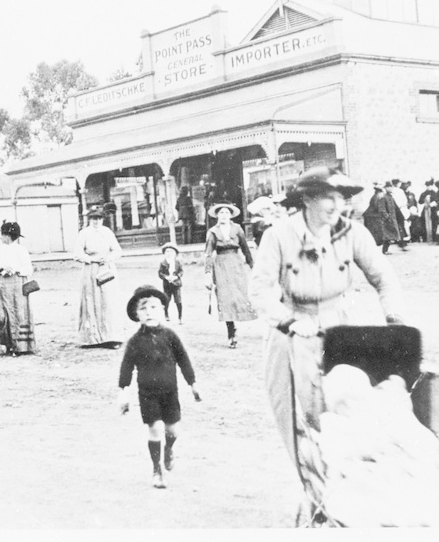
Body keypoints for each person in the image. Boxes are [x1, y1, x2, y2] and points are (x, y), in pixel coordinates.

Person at [248, 167, 405, 514]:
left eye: (342, 198)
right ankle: (314, 498)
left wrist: (394, 317)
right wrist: (289, 322)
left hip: (338, 330)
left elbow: (384, 277)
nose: (338, 206)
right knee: (297, 420)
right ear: (306, 199)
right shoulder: (278, 235)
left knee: (339, 419)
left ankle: (341, 504)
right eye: (329, 198)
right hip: (290, 332)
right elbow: (259, 291)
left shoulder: (353, 233)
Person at [118, 285, 201, 489]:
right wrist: (123, 394)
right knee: (155, 429)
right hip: (148, 394)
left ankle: (169, 450)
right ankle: (157, 470)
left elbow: (183, 360)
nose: (150, 313)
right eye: (144, 309)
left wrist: (193, 384)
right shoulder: (135, 342)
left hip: (170, 392)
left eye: (154, 307)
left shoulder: (170, 337)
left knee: (173, 431)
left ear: (163, 310)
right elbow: (126, 369)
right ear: (137, 315)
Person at [203, 202, 256, 349]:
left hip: (236, 264)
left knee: (238, 296)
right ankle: (231, 333)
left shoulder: (237, 229)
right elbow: (208, 254)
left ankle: (236, 327)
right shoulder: (213, 232)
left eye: (226, 213)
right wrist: (207, 273)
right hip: (220, 266)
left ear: (230, 215)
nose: (224, 215)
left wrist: (253, 267)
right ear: (217, 216)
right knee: (225, 298)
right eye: (221, 213)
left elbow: (245, 248)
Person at [75, 206, 123, 347]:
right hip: (90, 270)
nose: (96, 221)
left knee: (107, 301)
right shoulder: (84, 233)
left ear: (103, 219)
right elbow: (77, 254)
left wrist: (108, 258)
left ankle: (110, 337)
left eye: (99, 218)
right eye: (94, 218)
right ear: (89, 219)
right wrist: (90, 259)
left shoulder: (107, 232)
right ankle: (91, 339)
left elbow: (117, 250)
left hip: (106, 269)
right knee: (91, 301)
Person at [0, 221, 35, 356]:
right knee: (1, 314)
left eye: (3, 235)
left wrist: (14, 269)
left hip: (17, 284)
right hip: (2, 285)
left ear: (8, 236)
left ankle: (20, 346)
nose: (1, 238)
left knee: (17, 313)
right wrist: (1, 269)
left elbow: (29, 269)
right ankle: (6, 342)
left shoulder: (21, 250)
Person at [157, 243, 184, 323]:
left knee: (178, 300)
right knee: (166, 300)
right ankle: (166, 315)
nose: (169, 254)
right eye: (167, 252)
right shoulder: (163, 263)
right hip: (167, 285)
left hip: (176, 284)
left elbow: (181, 271)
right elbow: (160, 273)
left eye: (171, 252)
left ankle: (180, 317)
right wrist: (166, 277)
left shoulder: (177, 262)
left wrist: (177, 276)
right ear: (164, 253)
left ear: (175, 253)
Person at [381, 182, 408, 253]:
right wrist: (387, 217)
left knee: (394, 234)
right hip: (388, 220)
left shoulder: (391, 197)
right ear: (386, 188)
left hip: (393, 219)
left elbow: (396, 208)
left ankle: (402, 245)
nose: (391, 188)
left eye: (391, 187)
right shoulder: (383, 197)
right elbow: (382, 209)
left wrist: (401, 217)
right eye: (389, 187)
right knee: (388, 236)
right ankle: (385, 250)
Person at [418, 179, 438, 243]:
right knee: (424, 223)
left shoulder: (435, 193)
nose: (429, 187)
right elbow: (420, 201)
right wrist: (425, 199)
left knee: (434, 223)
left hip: (433, 210)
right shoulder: (424, 193)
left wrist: (434, 203)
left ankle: (433, 237)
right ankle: (425, 238)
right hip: (426, 210)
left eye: (430, 186)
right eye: (427, 186)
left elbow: (438, 200)